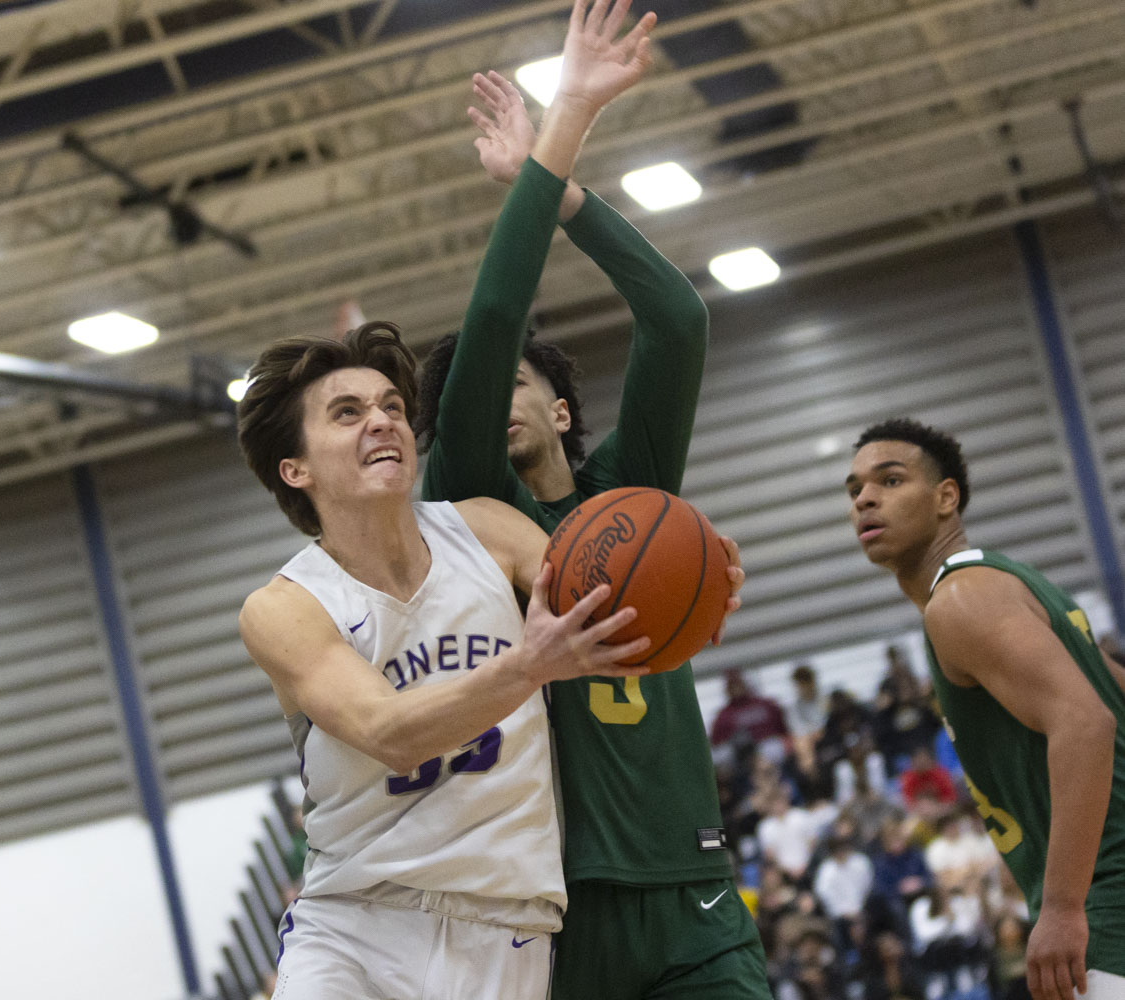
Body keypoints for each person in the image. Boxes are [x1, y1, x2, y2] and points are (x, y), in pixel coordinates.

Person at [411, 5, 764, 997]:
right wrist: (558, 128)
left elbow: (677, 320)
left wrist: (563, 194)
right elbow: (493, 316)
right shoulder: (468, 504)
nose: (491, 395)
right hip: (555, 908)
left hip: (691, 883)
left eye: (518, 383)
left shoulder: (630, 491)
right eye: (476, 391)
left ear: (563, 408)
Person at [235, 325, 657, 995]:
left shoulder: (488, 530)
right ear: (296, 469)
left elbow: (613, 598)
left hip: (505, 927)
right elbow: (390, 734)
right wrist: (530, 666)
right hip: (354, 927)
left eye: (392, 407)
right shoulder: (287, 607)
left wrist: (685, 575)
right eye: (348, 413)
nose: (382, 421)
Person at [848, 417, 1125, 999]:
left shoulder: (960, 600)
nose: (865, 498)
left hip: (1107, 914)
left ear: (946, 497)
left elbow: (1086, 723)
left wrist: (1062, 907)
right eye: (855, 489)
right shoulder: (1009, 580)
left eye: (890, 480)